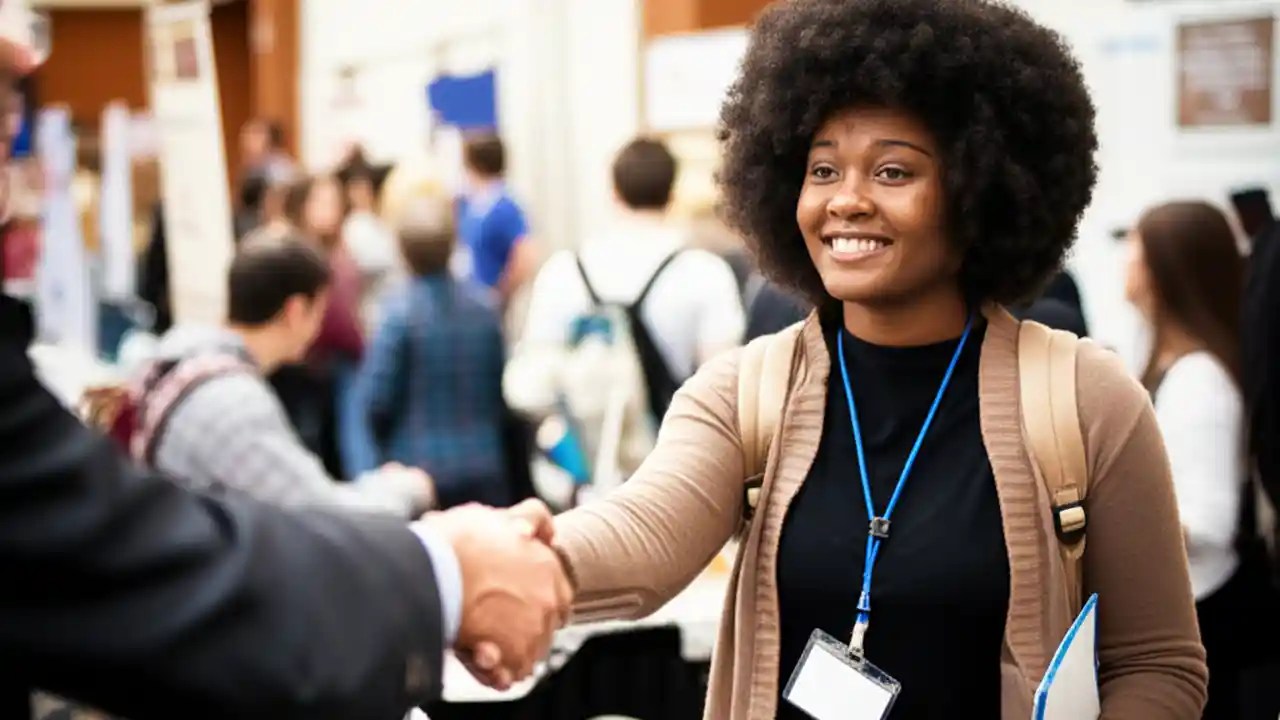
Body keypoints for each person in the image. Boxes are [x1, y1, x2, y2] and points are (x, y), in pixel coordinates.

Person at [519, 1, 1207, 718]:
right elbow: (643, 537)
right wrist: (495, 560)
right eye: (822, 170)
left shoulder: (1086, 401)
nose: (845, 201)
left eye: (891, 171)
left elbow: (1158, 665)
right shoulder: (744, 393)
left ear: (979, 189)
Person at [0, 18, 569, 718]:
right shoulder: (232, 400)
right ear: (299, 310)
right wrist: (428, 545)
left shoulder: (181, 363)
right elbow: (151, 553)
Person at [133, 228, 434, 518]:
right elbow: (320, 515)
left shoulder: (178, 357)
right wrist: (405, 489)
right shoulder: (232, 402)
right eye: (320, 312)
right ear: (296, 310)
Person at [1125, 200, 1277, 719]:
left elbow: (1207, 522)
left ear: (1165, 270)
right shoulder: (1170, 365)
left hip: (1204, 613)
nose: (1126, 262)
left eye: (1136, 252)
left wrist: (1108, 515)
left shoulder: (1199, 381)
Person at [364, 193, 510, 509]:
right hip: (484, 464)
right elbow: (500, 387)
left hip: (419, 471)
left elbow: (378, 400)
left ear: (402, 249)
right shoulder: (485, 308)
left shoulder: (397, 314)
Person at [455, 133, 537, 303]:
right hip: (469, 301)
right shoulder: (471, 203)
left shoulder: (506, 207)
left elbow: (525, 255)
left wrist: (501, 293)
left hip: (489, 300)